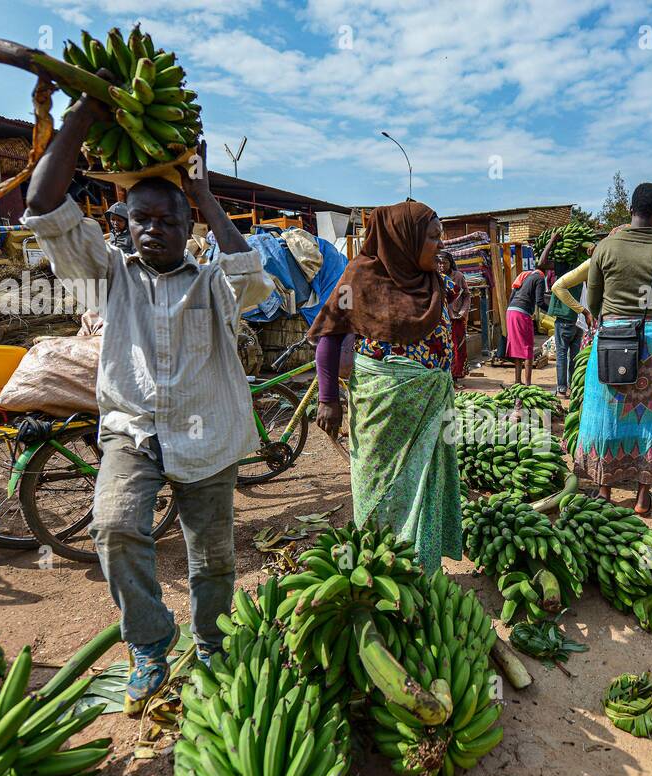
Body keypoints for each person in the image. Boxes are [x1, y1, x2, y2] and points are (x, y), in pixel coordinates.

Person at [23, 93, 273, 715]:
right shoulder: (110, 275)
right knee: (112, 527)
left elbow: (251, 277)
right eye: (142, 220)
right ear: (123, 224)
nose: (154, 230)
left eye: (168, 219)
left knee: (212, 555)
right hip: (132, 431)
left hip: (208, 432)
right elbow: (42, 206)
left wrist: (206, 195)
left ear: (187, 226)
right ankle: (151, 642)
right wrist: (78, 114)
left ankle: (212, 641)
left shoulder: (214, 283)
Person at [308, 201, 462, 574]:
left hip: (432, 404)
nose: (439, 245)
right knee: (381, 489)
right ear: (404, 239)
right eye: (433, 237)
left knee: (427, 487)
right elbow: (329, 336)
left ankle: (423, 572)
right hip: (383, 408)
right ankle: (381, 572)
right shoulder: (360, 279)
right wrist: (328, 398)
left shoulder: (430, 281)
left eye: (440, 237)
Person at [576, 183, 652, 516]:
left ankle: (604, 490)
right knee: (651, 419)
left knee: (605, 413)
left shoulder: (605, 249)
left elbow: (592, 302)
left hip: (612, 341)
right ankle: (641, 496)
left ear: (631, 209)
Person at [548, 238, 595, 396]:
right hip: (579, 321)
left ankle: (562, 388)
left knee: (561, 354)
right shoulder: (582, 270)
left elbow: (541, 263)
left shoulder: (563, 272)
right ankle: (575, 387)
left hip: (565, 320)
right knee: (575, 356)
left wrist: (552, 242)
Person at [504, 242, 552, 386]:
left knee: (517, 348)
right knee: (527, 349)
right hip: (521, 313)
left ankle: (518, 381)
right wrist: (553, 312)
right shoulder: (539, 278)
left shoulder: (525, 275)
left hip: (511, 312)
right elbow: (539, 301)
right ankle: (528, 384)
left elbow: (512, 296)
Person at [437, 250, 471, 385]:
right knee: (443, 347)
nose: (441, 266)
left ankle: (455, 376)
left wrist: (463, 312)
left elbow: (467, 295)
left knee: (458, 347)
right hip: (441, 318)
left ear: (450, 263)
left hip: (456, 317)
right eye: (439, 264)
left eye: (444, 263)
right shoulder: (435, 277)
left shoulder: (458, 276)